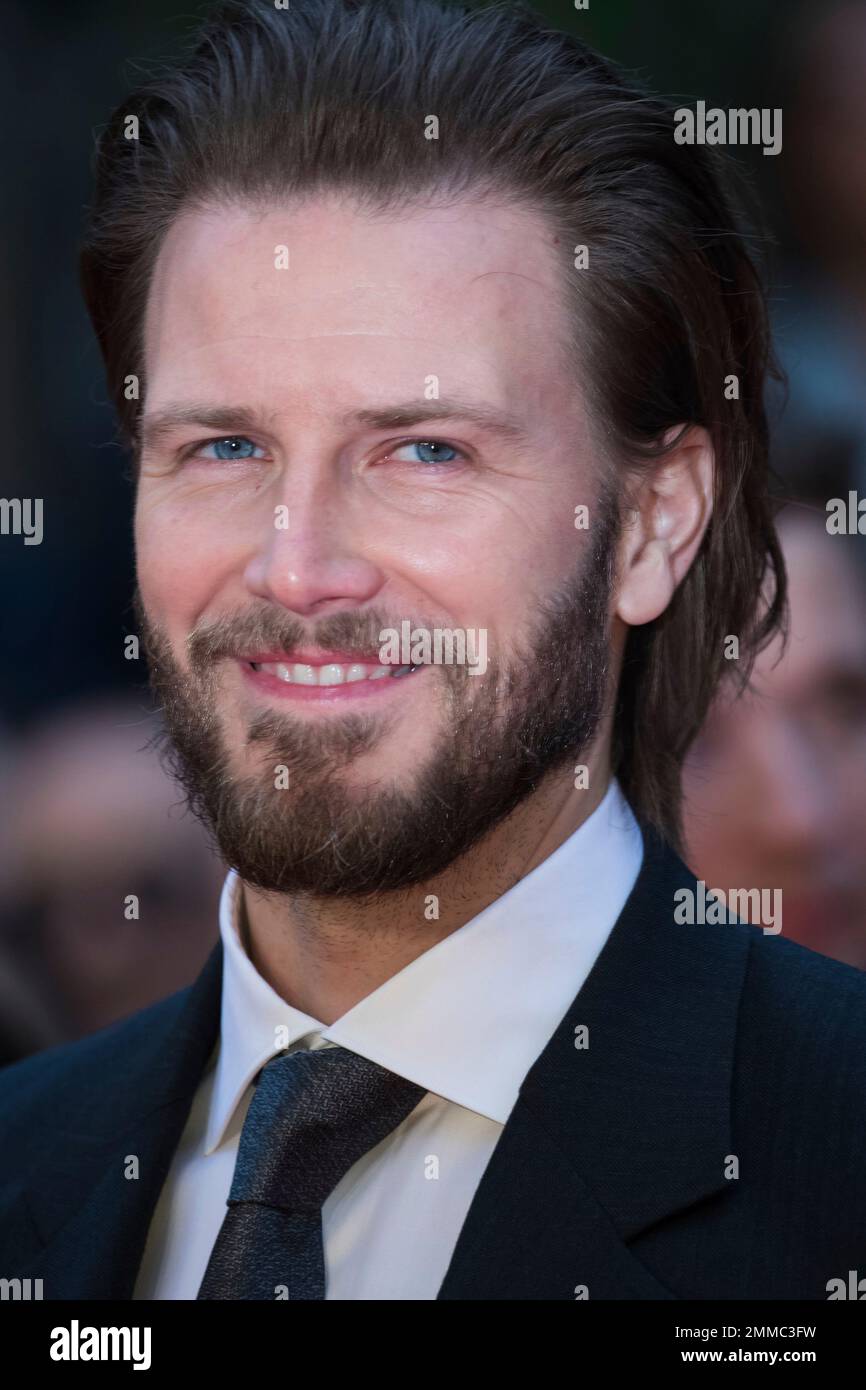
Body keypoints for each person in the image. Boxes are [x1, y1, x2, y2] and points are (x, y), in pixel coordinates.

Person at [2, 0, 865, 1302]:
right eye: (223, 448)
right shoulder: (27, 1169)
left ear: (651, 524)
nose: (298, 568)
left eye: (423, 451)